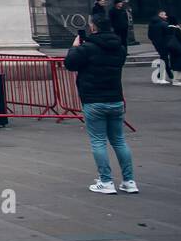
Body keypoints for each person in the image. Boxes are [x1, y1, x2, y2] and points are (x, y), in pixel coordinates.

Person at [65, 15, 136, 194]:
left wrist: (74, 48)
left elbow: (70, 64)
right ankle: (129, 180)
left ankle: (106, 181)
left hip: (94, 99)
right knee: (119, 141)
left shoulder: (87, 48)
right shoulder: (119, 48)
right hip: (115, 98)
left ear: (93, 27)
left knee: (98, 142)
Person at [148, 10, 174, 83]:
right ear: (161, 15)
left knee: (164, 58)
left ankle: (161, 75)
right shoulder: (164, 24)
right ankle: (168, 76)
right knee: (164, 59)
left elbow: (149, 35)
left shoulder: (151, 23)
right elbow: (169, 34)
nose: (166, 16)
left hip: (157, 44)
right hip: (164, 44)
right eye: (165, 15)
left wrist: (154, 41)